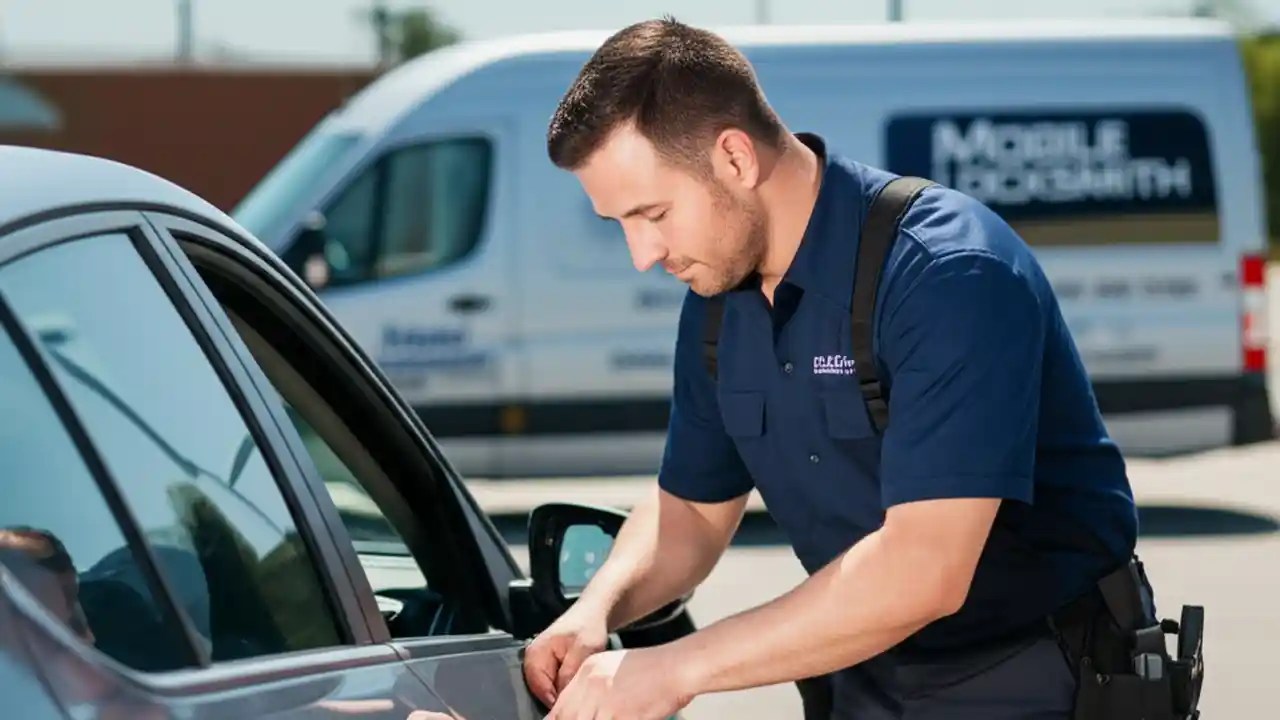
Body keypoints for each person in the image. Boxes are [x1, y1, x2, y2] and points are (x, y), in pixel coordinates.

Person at [523, 16, 1151, 720]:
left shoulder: (947, 275)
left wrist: (674, 669)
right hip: (860, 682)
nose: (643, 254)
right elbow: (692, 514)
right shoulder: (718, 302)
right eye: (622, 226)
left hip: (1036, 678)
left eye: (655, 214)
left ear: (734, 158)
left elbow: (924, 573)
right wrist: (597, 609)